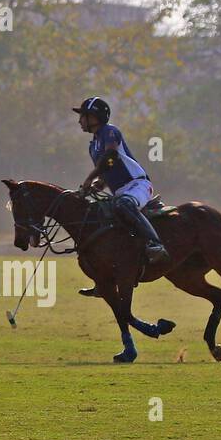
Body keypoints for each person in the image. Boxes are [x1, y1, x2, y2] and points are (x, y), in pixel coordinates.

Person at [73, 96, 170, 296]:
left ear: (94, 117)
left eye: (83, 116)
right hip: (119, 191)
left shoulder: (109, 132)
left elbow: (111, 157)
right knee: (99, 214)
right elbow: (108, 169)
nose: (79, 120)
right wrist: (99, 184)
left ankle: (155, 244)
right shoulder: (93, 145)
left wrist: (90, 179)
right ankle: (104, 278)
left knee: (124, 205)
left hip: (138, 185)